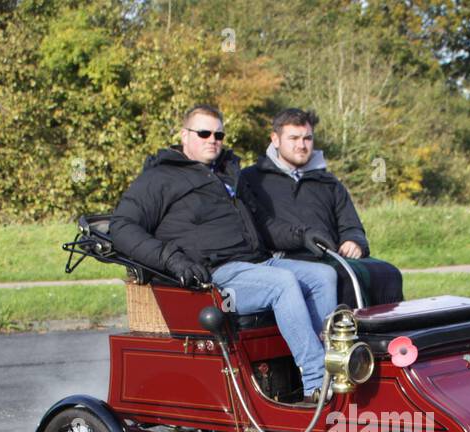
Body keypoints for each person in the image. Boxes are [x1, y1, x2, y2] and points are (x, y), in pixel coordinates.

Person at [108, 104, 339, 401]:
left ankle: (337, 366)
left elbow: (263, 225)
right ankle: (317, 382)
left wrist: (302, 235)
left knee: (324, 275)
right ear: (184, 135)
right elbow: (122, 226)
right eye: (203, 132)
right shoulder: (160, 178)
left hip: (256, 263)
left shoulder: (227, 175)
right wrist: (171, 259)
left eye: (218, 133)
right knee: (281, 284)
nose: (212, 139)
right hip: (214, 278)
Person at [238, 108, 403, 308]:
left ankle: (386, 337)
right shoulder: (252, 179)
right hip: (287, 257)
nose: (302, 145)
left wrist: (354, 241)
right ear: (275, 139)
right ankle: (339, 337)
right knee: (340, 278)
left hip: (332, 255)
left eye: (307, 138)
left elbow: (351, 224)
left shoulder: (328, 182)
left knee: (388, 273)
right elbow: (260, 229)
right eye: (294, 138)